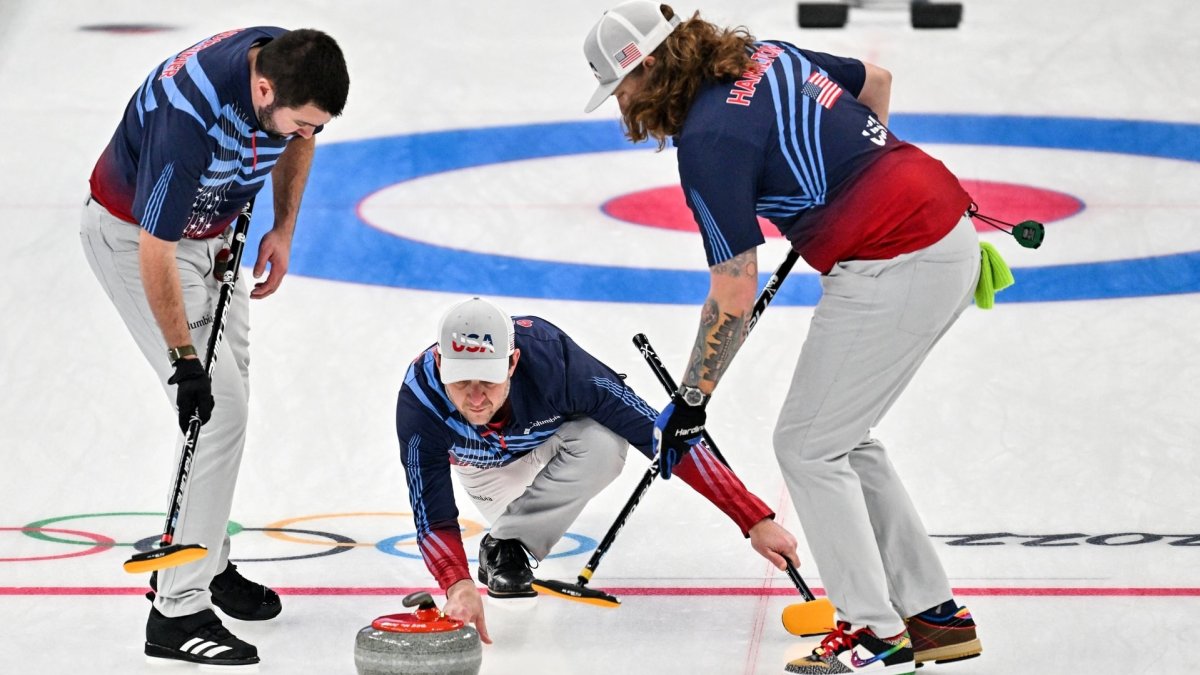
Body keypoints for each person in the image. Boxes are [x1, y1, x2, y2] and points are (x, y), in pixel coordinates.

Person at [582, 2, 984, 673]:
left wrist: (691, 400)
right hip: (941, 230)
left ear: (648, 67)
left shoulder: (708, 140)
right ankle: (933, 616)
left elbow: (734, 288)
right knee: (841, 439)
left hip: (897, 259)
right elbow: (876, 83)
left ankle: (872, 629)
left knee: (807, 447)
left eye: (620, 87)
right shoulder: (764, 53)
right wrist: (851, 182)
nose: (622, 105)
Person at [80, 27, 349, 669]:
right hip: (139, 242)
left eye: (317, 126)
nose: (306, 134)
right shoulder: (188, 116)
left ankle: (200, 555)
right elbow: (154, 249)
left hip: (213, 237)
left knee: (226, 409)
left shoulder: (290, 68)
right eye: (301, 122)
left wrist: (283, 227)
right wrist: (184, 362)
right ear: (264, 90)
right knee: (215, 407)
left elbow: (298, 138)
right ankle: (176, 611)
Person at [395, 296, 800, 643]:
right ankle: (509, 535)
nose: (476, 398)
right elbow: (432, 516)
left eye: (488, 379)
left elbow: (661, 436)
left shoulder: (556, 363)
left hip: (553, 447)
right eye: (461, 381)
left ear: (513, 362)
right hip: (484, 471)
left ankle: (509, 543)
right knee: (494, 510)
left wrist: (752, 517)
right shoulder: (420, 399)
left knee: (605, 444)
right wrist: (458, 584)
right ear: (440, 363)